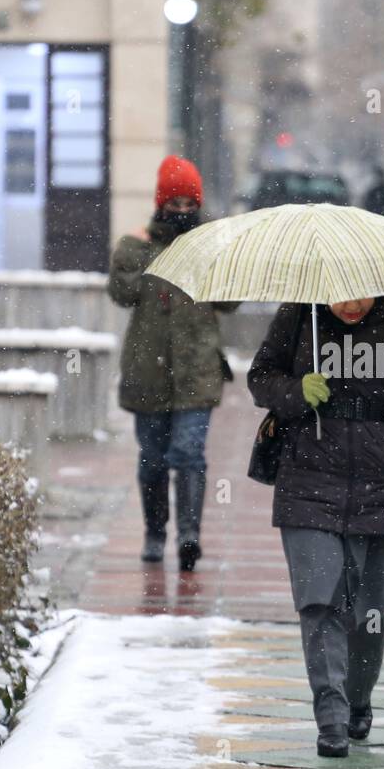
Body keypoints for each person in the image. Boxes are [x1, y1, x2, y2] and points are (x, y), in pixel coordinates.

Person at [247, 295, 384, 758]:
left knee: (370, 610)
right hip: (308, 479)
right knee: (320, 600)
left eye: (361, 295)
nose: (351, 305)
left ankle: (357, 700)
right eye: (340, 296)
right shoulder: (298, 313)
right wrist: (294, 392)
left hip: (380, 482)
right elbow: (260, 378)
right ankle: (330, 716)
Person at [108, 155, 236, 570]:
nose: (182, 211)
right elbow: (122, 294)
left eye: (189, 204)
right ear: (161, 203)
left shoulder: (210, 246)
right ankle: (154, 532)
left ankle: (189, 536)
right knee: (152, 459)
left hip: (197, 371)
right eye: (175, 203)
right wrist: (138, 253)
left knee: (189, 454)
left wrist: (222, 259)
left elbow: (231, 303)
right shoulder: (138, 245)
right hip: (148, 371)